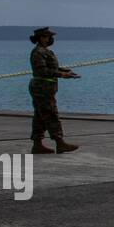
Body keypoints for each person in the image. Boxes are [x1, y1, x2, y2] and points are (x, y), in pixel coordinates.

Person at [28, 27, 79, 155]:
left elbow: (51, 67)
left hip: (46, 88)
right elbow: (42, 71)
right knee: (51, 114)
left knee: (40, 116)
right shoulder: (37, 52)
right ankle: (60, 143)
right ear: (40, 38)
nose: (49, 39)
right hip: (41, 88)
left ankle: (37, 145)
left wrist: (64, 71)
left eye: (49, 37)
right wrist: (61, 75)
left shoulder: (45, 51)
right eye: (46, 36)